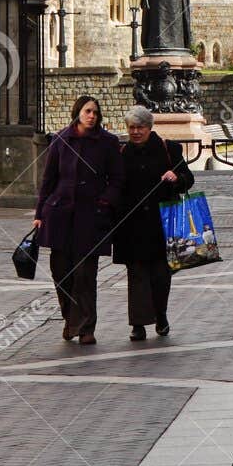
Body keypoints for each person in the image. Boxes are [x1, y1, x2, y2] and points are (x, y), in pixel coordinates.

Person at [33, 94, 122, 345]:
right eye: (87, 111)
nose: (91, 116)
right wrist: (40, 213)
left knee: (85, 274)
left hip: (91, 217)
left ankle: (86, 328)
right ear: (77, 113)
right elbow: (48, 180)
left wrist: (104, 202)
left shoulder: (108, 143)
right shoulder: (61, 140)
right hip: (60, 215)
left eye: (95, 112)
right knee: (61, 272)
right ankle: (70, 319)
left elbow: (116, 180)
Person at [114, 105, 194, 341]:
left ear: (149, 127)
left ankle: (161, 316)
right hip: (132, 225)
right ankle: (138, 324)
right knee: (136, 276)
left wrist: (176, 177)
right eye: (131, 128)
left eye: (140, 127)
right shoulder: (122, 153)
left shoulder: (168, 149)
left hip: (162, 224)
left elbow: (188, 179)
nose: (136, 132)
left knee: (160, 275)